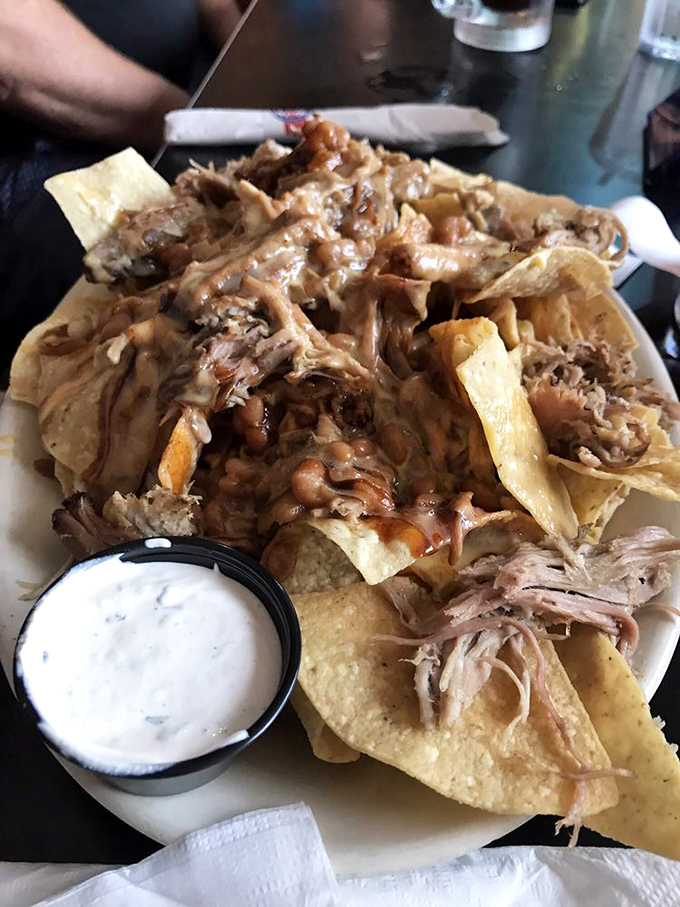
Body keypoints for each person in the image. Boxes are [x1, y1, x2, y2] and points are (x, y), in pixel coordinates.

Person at [0, 0, 241, 368]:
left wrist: (240, 45)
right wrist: (194, 124)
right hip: (45, 154)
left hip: (189, 95)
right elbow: (10, 45)